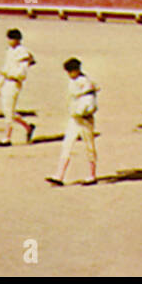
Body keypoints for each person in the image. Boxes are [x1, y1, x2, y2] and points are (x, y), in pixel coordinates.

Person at [47, 58, 98, 187]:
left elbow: (90, 101)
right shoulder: (73, 81)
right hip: (74, 119)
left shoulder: (85, 82)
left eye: (71, 71)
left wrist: (82, 112)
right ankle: (59, 175)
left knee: (89, 146)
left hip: (85, 119)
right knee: (67, 145)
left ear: (77, 70)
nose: (69, 74)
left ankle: (92, 175)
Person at [0, 28, 36, 146]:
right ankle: (28, 127)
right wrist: (0, 83)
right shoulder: (10, 51)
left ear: (18, 40)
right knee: (8, 111)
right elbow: (6, 67)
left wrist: (7, 74)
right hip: (7, 82)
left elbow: (21, 73)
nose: (9, 41)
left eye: (12, 39)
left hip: (14, 82)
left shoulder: (22, 53)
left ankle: (7, 138)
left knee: (8, 111)